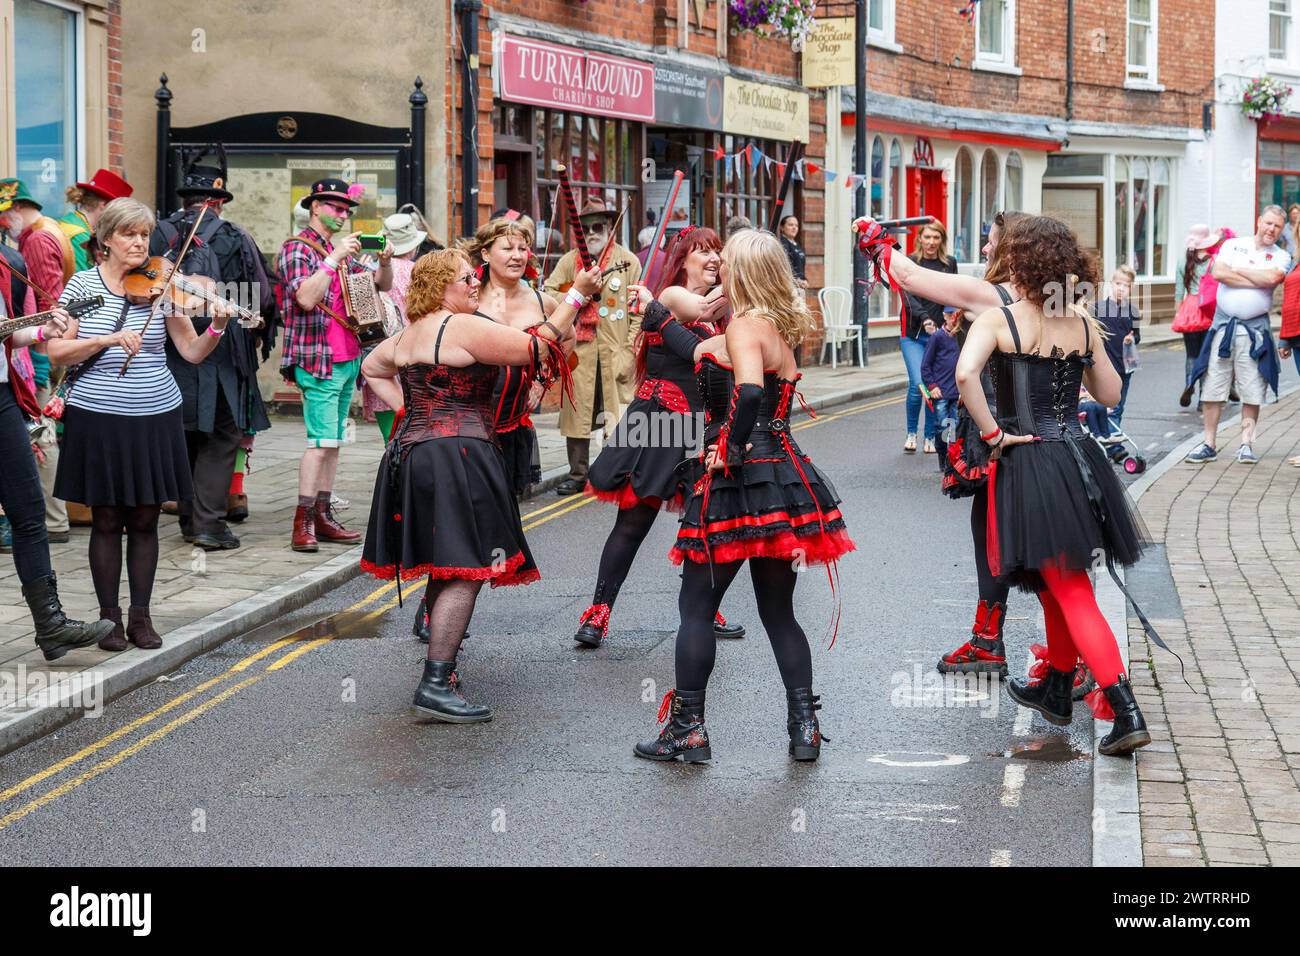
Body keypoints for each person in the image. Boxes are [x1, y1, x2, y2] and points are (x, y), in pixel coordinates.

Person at [634, 230, 854, 764]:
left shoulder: (747, 327)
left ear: (745, 273)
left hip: (736, 475)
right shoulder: (774, 328)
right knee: (778, 611)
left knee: (696, 606)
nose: (718, 268)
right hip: (780, 472)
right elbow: (733, 369)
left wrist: (728, 447)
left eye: (726, 262)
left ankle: (688, 728)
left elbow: (749, 390)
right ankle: (804, 726)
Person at [359, 248, 600, 723]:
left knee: (446, 558)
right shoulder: (461, 326)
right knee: (467, 565)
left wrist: (409, 413)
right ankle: (436, 681)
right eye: (465, 277)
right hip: (459, 455)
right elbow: (538, 347)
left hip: (411, 454)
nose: (475, 283)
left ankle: (440, 672)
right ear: (439, 288)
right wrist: (577, 295)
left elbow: (371, 367)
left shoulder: (409, 334)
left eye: (474, 276)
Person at [859, 211, 1093, 697]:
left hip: (1006, 433)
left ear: (1013, 251)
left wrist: (876, 240)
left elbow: (909, 275)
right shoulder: (1029, 298)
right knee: (997, 535)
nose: (985, 251)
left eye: (991, 244)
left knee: (1024, 547)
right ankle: (995, 640)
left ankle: (1072, 660)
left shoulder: (996, 296)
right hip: (1014, 430)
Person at [955, 215, 1151, 757]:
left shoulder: (998, 320)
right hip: (1079, 460)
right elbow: (1109, 395)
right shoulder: (1083, 323)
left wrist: (993, 433)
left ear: (1018, 262)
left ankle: (1125, 708)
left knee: (1070, 588)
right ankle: (1058, 687)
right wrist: (1090, 344)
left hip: (1029, 458)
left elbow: (967, 376)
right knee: (1055, 581)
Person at [48, 197, 236, 651]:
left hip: (156, 414)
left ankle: (141, 617)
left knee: (147, 519)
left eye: (143, 234)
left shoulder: (162, 283)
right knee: (107, 519)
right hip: (99, 416)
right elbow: (56, 354)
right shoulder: (81, 285)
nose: (138, 242)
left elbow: (190, 352)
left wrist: (217, 327)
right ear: (107, 239)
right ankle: (109, 619)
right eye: (128, 234)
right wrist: (108, 338)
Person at [576, 226, 745, 647]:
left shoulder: (718, 313)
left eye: (716, 253)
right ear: (681, 259)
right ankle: (598, 612)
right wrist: (747, 275)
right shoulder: (670, 297)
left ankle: (704, 609)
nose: (711, 259)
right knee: (633, 523)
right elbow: (704, 310)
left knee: (704, 522)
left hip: (697, 427)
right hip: (658, 421)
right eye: (701, 252)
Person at [0, 187, 114, 658]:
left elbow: (9, 329)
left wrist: (41, 330)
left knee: (29, 513)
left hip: (3, 395)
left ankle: (50, 626)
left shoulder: (4, 260)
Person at [151, 157, 276, 551]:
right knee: (222, 433)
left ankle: (189, 518)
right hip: (221, 342)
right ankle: (208, 523)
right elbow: (261, 293)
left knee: (186, 429)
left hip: (169, 342)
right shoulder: (234, 234)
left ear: (187, 198)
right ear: (217, 201)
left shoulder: (157, 233)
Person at [277, 177, 393, 550]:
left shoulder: (339, 249)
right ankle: (303, 522)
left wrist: (385, 261)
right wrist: (333, 259)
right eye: (334, 207)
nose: (341, 214)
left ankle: (323, 515)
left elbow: (381, 285)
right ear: (314, 207)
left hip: (347, 358)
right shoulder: (297, 248)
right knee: (320, 442)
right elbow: (306, 298)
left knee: (333, 441)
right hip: (316, 357)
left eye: (346, 209)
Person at [543, 197, 642, 496]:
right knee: (577, 413)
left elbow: (638, 311)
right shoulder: (568, 261)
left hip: (615, 350)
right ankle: (577, 474)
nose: (592, 233)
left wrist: (630, 350)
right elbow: (548, 293)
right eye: (585, 229)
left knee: (619, 413)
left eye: (598, 226)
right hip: (581, 353)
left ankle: (616, 472)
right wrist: (576, 295)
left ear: (610, 226)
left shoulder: (628, 261)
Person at [1185, 206, 1290, 465]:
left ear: (1280, 230)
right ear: (1258, 221)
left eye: (1277, 226)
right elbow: (1219, 272)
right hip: (1223, 328)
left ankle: (1246, 444)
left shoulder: (1281, 256)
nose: (1271, 229)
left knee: (1252, 389)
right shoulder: (1233, 244)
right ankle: (1209, 443)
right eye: (1268, 223)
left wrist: (1238, 272)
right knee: (1213, 386)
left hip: (1254, 333)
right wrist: (1256, 278)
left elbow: (1273, 278)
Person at [361, 211, 427, 440]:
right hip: (416, 353)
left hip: (381, 356)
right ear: (414, 247)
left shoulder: (370, 270)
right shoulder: (420, 272)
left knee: (391, 435)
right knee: (416, 429)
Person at [900, 222, 958, 454]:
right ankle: (911, 432)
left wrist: (955, 323)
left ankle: (931, 436)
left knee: (940, 387)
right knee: (919, 384)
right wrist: (925, 318)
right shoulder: (910, 262)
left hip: (941, 336)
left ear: (941, 240)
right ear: (920, 239)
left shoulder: (949, 263)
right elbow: (907, 296)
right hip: (914, 334)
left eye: (936, 237)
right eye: (927, 237)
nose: (932, 242)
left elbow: (953, 294)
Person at [1174, 225, 1228, 408]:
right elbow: (1220, 289)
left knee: (1191, 354)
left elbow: (1178, 292)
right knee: (1207, 355)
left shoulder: (1183, 261)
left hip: (1189, 309)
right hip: (1208, 310)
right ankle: (1203, 397)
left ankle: (1190, 383)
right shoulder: (1214, 261)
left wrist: (1179, 315)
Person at [1093, 264, 1141, 440]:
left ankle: (1114, 443)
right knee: (1105, 406)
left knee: (1119, 407)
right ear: (1111, 284)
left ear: (1132, 288)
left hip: (1124, 366)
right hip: (1105, 367)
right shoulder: (1098, 309)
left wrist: (1132, 339)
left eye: (1126, 285)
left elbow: (1137, 336)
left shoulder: (1133, 312)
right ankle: (1112, 443)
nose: (1121, 289)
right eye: (1118, 284)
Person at [58, 169, 134, 273]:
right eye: (119, 212)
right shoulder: (80, 236)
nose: (120, 219)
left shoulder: (70, 221)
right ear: (104, 205)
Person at [920, 304, 962, 466]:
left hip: (958, 392)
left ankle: (953, 460)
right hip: (941, 392)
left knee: (956, 427)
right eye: (951, 315)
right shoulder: (937, 337)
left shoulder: (961, 337)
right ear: (945, 316)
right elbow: (925, 365)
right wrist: (932, 386)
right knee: (942, 427)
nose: (954, 319)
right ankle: (943, 457)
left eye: (957, 315)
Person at [778, 215, 807, 289]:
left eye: (796, 225)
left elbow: (800, 267)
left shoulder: (796, 244)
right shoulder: (782, 243)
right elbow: (783, 266)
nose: (794, 228)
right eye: (790, 225)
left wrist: (804, 280)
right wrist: (795, 281)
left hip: (799, 286)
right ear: (782, 227)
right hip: (787, 287)